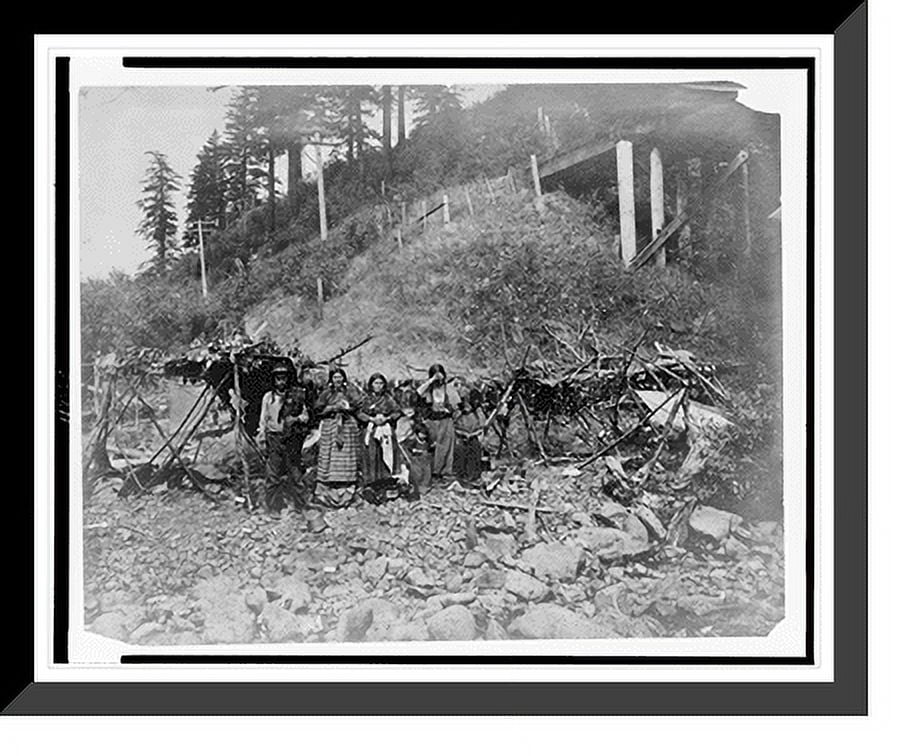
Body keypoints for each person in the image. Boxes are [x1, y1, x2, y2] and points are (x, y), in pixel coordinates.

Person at [255, 363, 309, 513]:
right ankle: (274, 507)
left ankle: (302, 506)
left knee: (295, 472)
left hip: (291, 438)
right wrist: (262, 437)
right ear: (274, 380)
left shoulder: (295, 396)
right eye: (278, 379)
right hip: (274, 438)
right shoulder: (268, 397)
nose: (281, 382)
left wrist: (295, 418)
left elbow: (305, 416)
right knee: (273, 474)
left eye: (283, 378)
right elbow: (263, 419)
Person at [313, 367, 363, 508]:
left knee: (346, 454)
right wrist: (331, 408)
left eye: (340, 377)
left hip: (347, 425)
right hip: (331, 425)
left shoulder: (350, 391)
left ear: (344, 378)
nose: (338, 380)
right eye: (335, 377)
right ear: (331, 379)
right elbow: (317, 410)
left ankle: (348, 484)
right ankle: (327, 486)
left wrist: (347, 408)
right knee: (330, 454)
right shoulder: (326, 393)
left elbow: (358, 405)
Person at [358, 372, 403, 501]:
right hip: (371, 431)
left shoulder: (388, 399)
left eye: (381, 383)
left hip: (385, 431)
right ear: (371, 385)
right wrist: (371, 419)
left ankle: (385, 483)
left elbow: (397, 412)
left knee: (386, 455)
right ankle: (371, 484)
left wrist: (387, 418)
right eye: (376, 383)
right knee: (372, 456)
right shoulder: (366, 399)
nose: (378, 386)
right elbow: (359, 413)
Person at [416, 363, 461, 481]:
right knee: (432, 445)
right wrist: (431, 380)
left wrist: (448, 409)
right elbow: (418, 392)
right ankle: (432, 471)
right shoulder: (428, 389)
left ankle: (444, 471)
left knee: (446, 446)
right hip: (432, 421)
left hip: (445, 420)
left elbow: (456, 405)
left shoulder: (448, 388)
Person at [454, 388, 486, 483]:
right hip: (462, 436)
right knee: (461, 457)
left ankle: (474, 476)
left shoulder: (478, 411)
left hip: (473, 436)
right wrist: (461, 412)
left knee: (474, 457)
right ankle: (461, 476)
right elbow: (454, 420)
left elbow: (482, 422)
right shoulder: (459, 410)